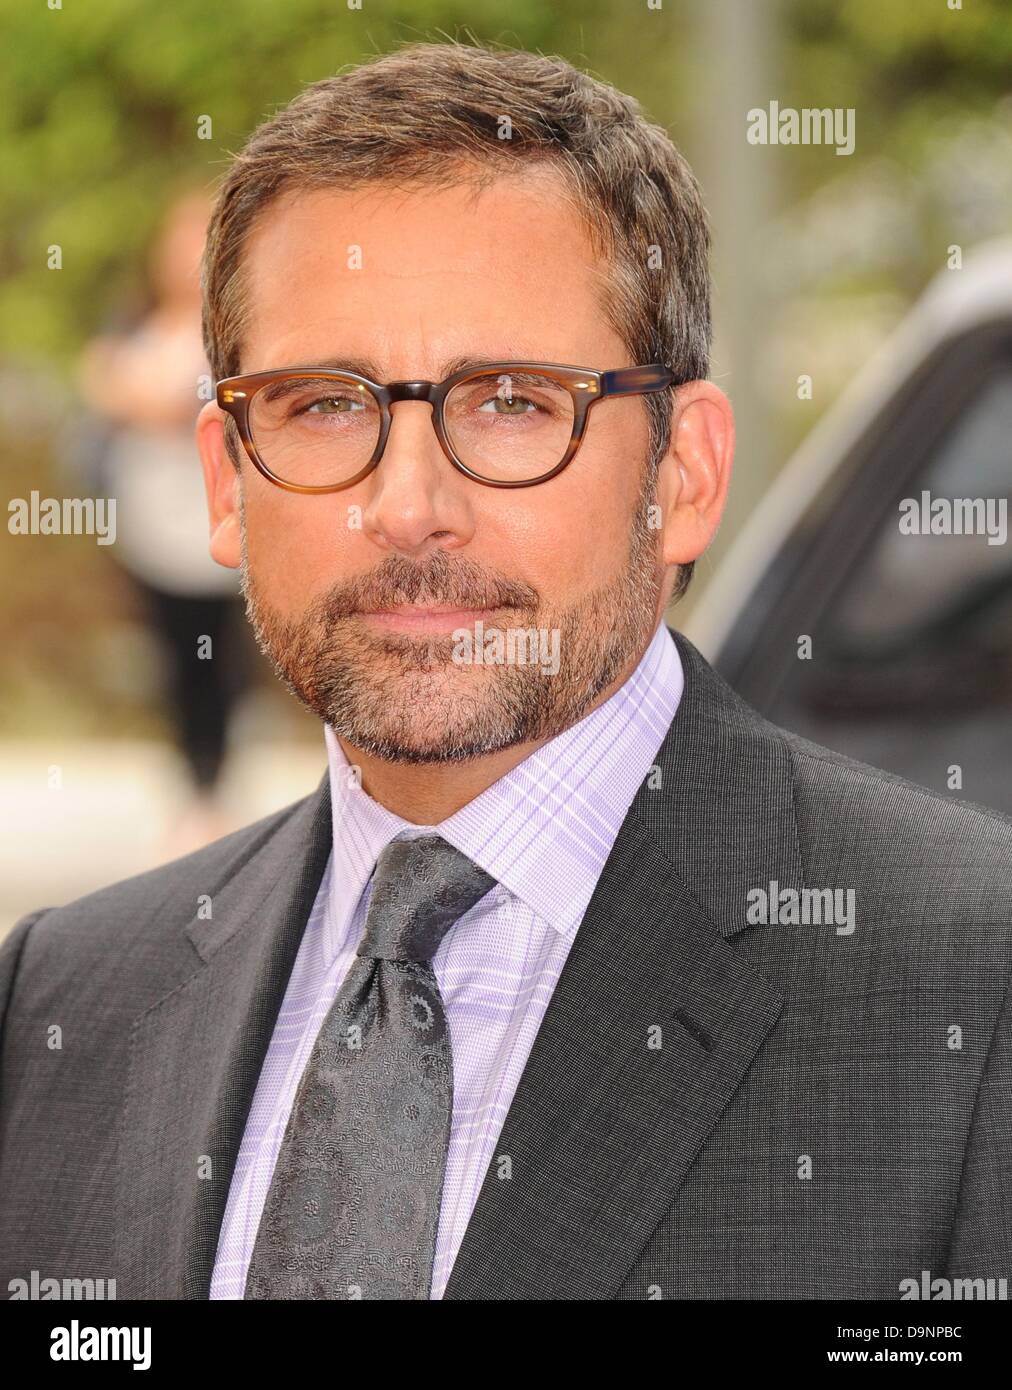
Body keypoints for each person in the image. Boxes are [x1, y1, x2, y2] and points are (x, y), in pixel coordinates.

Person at [2, 41, 1011, 1302]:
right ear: (225, 481)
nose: (409, 504)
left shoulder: (972, 988)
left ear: (683, 475)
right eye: (324, 404)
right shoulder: (63, 1003)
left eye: (515, 403)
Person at [76, 190, 248, 856]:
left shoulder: (241, 325)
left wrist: (167, 396)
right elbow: (107, 382)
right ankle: (198, 791)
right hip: (157, 533)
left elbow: (187, 397)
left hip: (235, 529)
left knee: (230, 662)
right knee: (182, 662)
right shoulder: (136, 321)